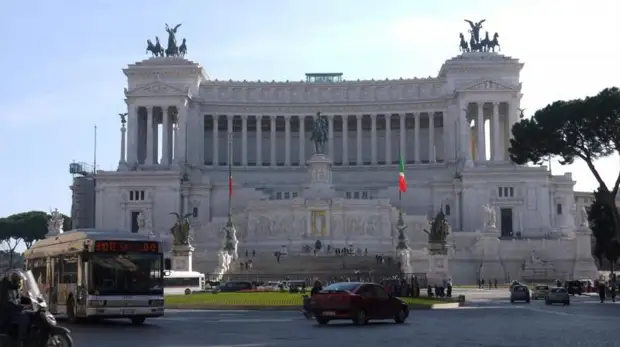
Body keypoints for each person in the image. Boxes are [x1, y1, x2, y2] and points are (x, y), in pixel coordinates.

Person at [0, 270, 31, 347]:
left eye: (20, 280)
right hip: (6, 315)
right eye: (18, 280)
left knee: (31, 314)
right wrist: (22, 307)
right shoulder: (4, 288)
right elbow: (7, 303)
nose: (20, 282)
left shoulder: (15, 288)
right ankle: (20, 341)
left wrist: (31, 300)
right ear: (13, 280)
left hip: (14, 311)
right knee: (24, 317)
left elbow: (20, 298)